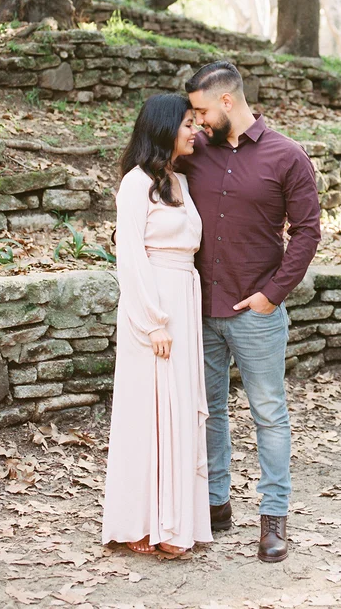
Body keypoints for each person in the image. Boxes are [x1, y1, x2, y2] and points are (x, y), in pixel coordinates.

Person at [179, 61, 322, 563]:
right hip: (199, 309)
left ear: (226, 102)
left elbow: (307, 232)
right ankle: (216, 505)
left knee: (268, 413)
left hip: (256, 313)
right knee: (209, 411)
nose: (194, 121)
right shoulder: (192, 154)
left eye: (199, 110)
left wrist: (273, 294)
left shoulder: (287, 156)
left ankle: (274, 519)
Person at [102, 93, 212, 557]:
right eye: (188, 123)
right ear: (165, 128)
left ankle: (175, 522)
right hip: (152, 311)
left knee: (179, 411)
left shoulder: (181, 183)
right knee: (147, 413)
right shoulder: (135, 184)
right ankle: (141, 523)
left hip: (184, 300)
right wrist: (153, 322)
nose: (196, 131)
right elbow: (130, 257)